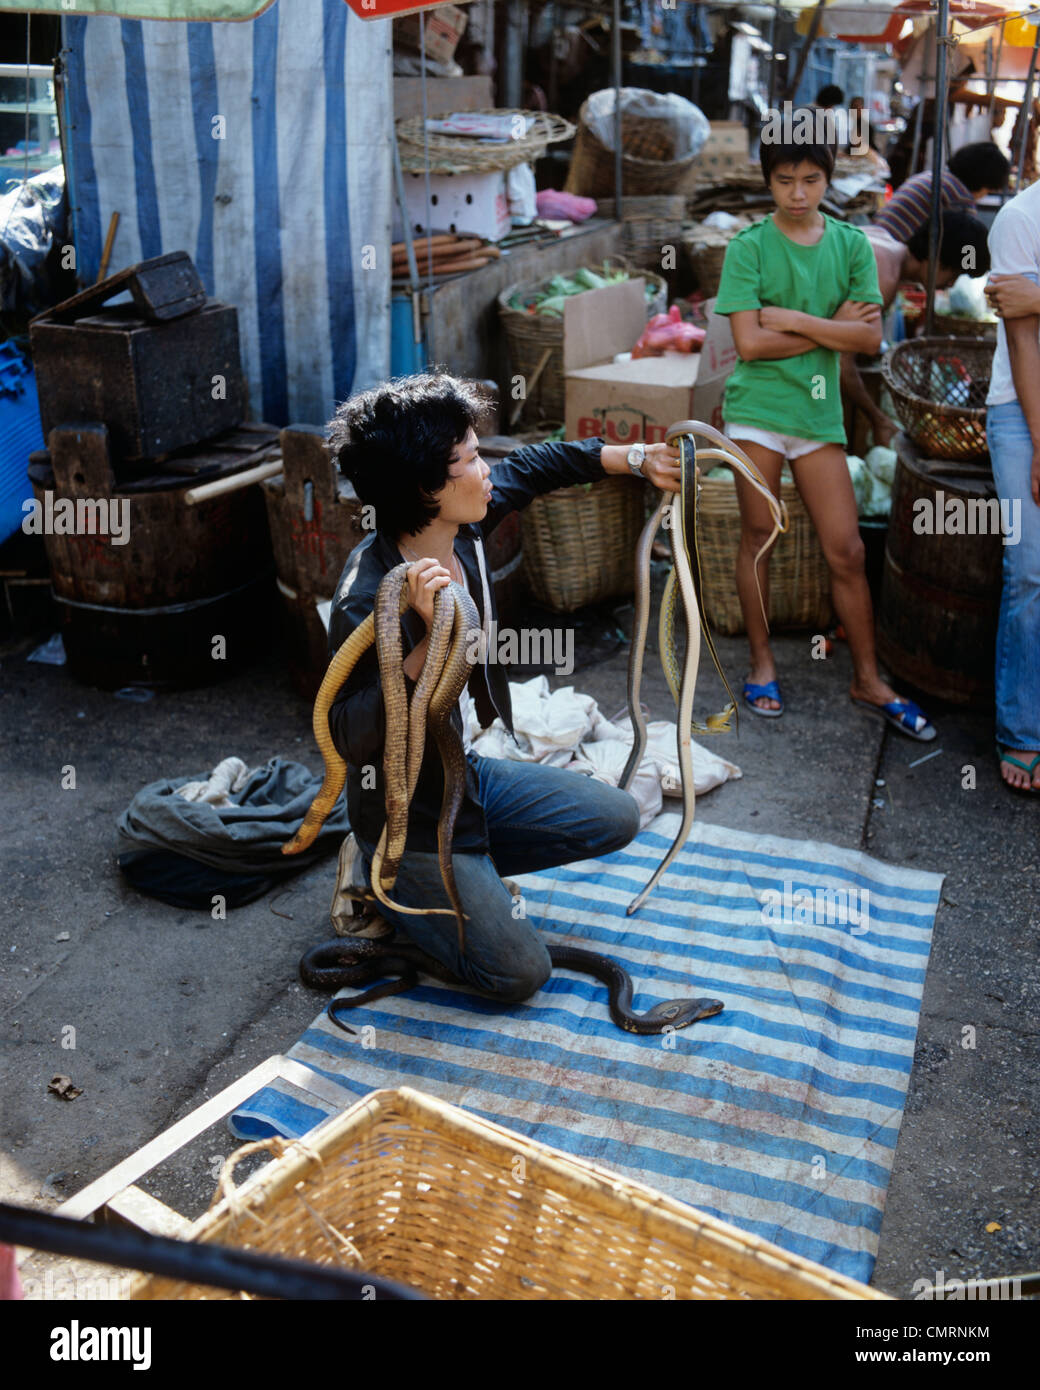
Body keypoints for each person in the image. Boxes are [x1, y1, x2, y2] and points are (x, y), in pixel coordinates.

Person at [324, 374, 682, 998]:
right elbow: (349, 735)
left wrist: (636, 459)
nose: (484, 468)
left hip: (464, 777)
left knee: (618, 815)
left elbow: (537, 465)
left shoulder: (462, 525)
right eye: (466, 459)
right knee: (521, 973)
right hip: (408, 817)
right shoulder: (367, 599)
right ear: (423, 489)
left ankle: (467, 880)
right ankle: (389, 876)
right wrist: (427, 646)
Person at [712, 121, 936, 740]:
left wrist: (794, 318)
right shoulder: (749, 246)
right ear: (769, 182)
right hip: (756, 409)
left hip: (817, 413)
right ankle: (762, 664)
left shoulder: (852, 246)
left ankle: (867, 677)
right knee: (760, 535)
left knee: (848, 550)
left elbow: (867, 338)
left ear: (828, 178)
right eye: (785, 180)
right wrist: (825, 324)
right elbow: (750, 346)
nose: (798, 193)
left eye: (811, 179)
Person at [841, 210, 992, 448]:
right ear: (937, 261)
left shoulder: (884, 240)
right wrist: (877, 419)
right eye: (955, 273)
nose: (952, 284)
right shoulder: (885, 276)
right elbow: (840, 364)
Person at [984, 182, 1040, 791]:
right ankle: (1023, 728)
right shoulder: (1021, 218)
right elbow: (1023, 340)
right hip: (1023, 411)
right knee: (1029, 568)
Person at [872, 141, 1009, 244]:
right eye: (988, 190)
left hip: (875, 240)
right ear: (982, 182)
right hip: (890, 250)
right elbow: (967, 249)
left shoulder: (933, 177)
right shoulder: (960, 198)